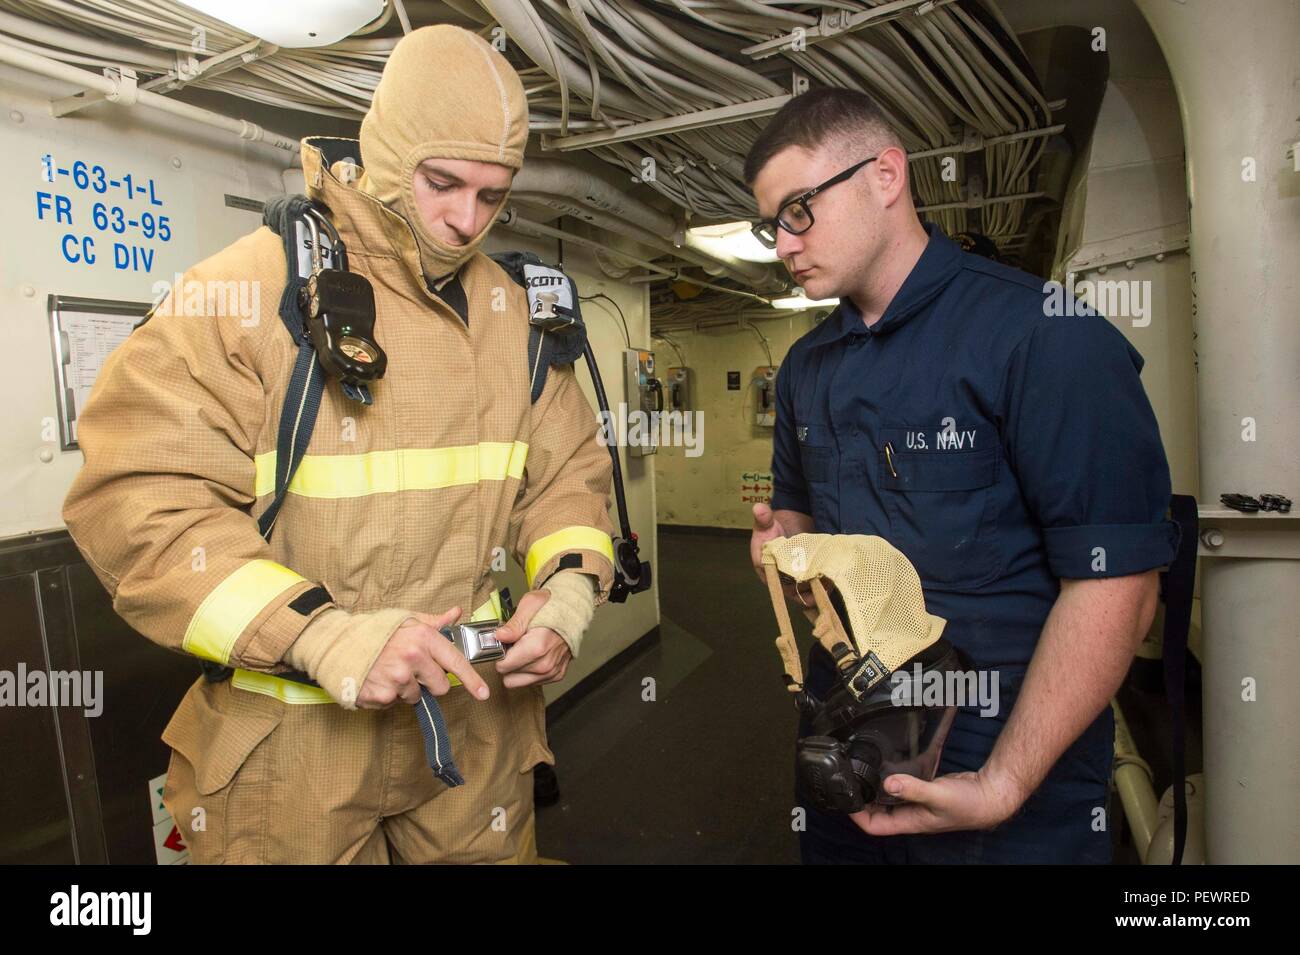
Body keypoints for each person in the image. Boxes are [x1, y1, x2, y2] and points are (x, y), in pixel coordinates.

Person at [62, 25, 616, 864]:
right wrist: (318, 633)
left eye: (493, 195)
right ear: (387, 151)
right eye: (443, 183)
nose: (466, 220)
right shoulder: (246, 292)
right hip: (292, 741)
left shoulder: (517, 321)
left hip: (471, 722)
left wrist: (570, 587)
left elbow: (569, 477)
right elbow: (136, 498)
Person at [745, 88, 1178, 864]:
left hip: (1002, 774)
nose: (783, 243)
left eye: (799, 209)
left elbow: (1119, 585)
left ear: (885, 175)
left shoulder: (1046, 337)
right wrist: (785, 543)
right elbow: (800, 517)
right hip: (847, 750)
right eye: (769, 223)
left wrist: (1004, 783)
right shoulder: (805, 367)